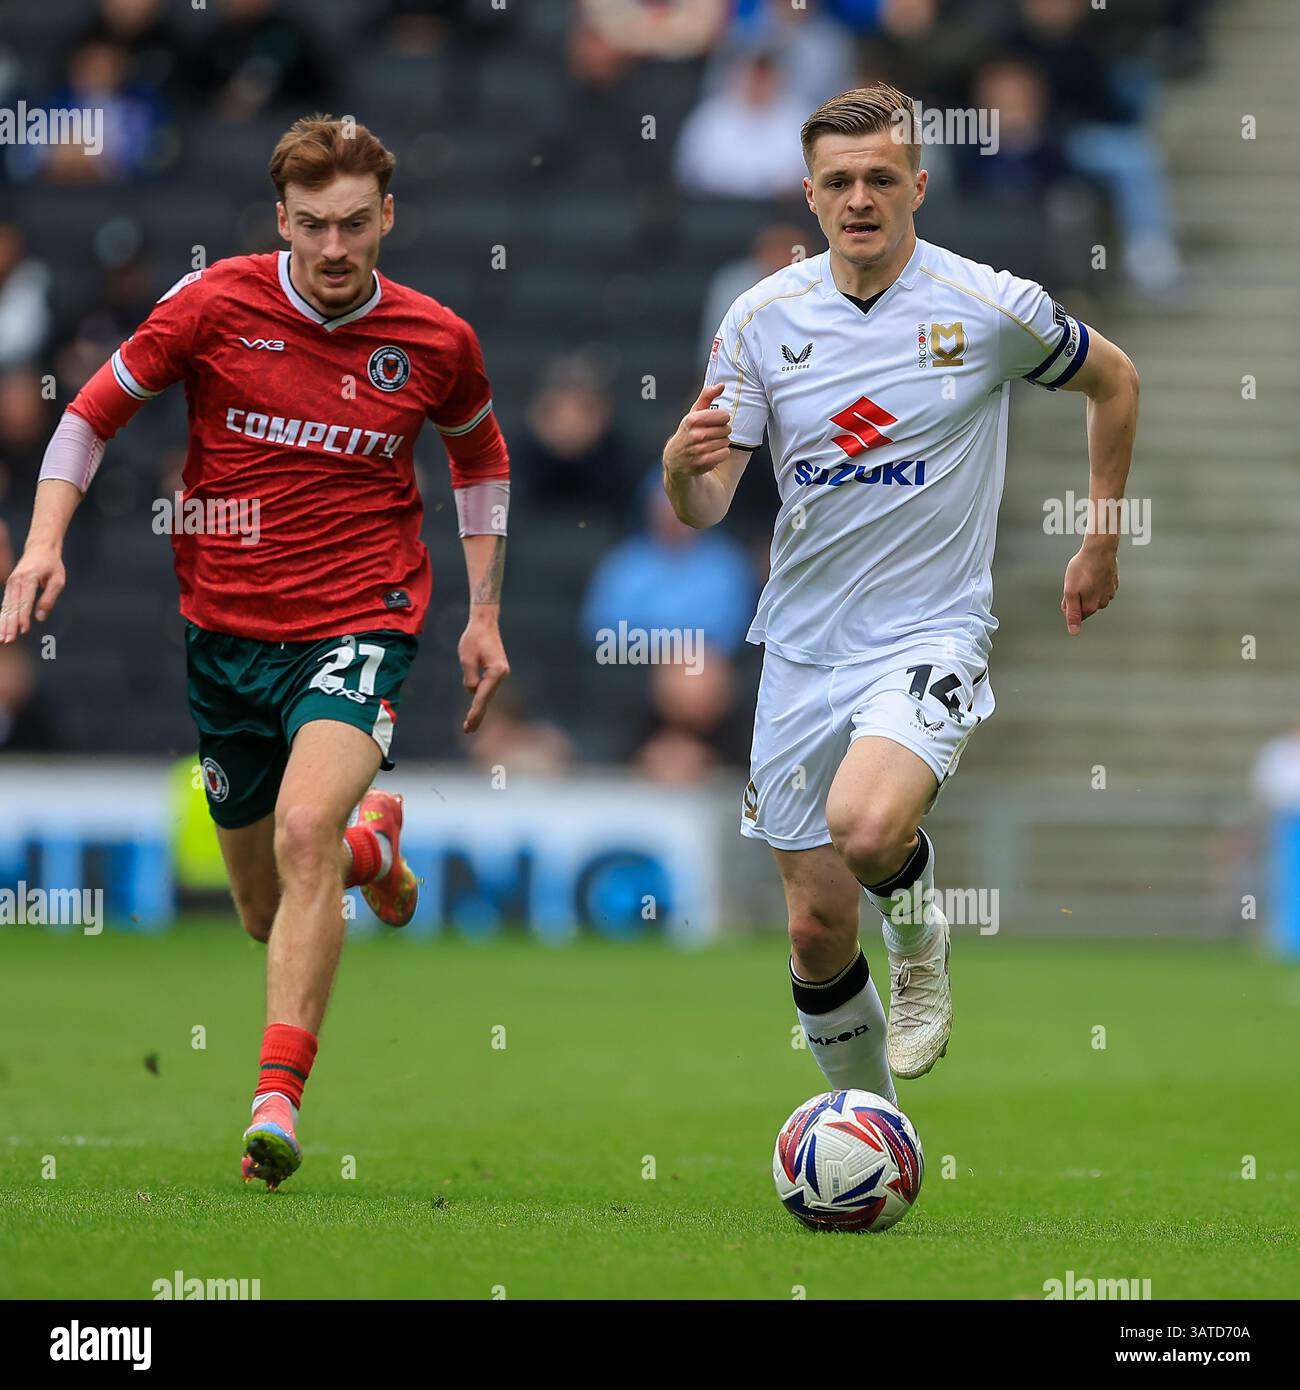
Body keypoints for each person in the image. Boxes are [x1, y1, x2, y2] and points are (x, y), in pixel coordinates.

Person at [0, 115, 512, 1190]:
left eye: (357, 225)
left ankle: (274, 1099)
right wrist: (41, 544)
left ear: (387, 220)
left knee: (303, 823)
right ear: (282, 220)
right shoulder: (213, 304)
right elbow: (87, 419)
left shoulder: (434, 339)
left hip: (360, 618)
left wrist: (482, 613)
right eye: (315, 226)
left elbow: (479, 461)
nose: (335, 249)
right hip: (225, 633)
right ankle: (374, 852)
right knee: (262, 906)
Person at [661, 83, 1138, 1102]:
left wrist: (1099, 539)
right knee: (813, 925)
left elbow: (1115, 381)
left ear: (919, 184)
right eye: (838, 181)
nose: (860, 197)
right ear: (809, 195)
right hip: (800, 646)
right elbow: (706, 504)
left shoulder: (986, 304)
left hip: (930, 630)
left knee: (868, 827)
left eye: (881, 177)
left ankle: (921, 942)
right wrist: (675, 469)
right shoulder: (759, 319)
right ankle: (871, 1123)